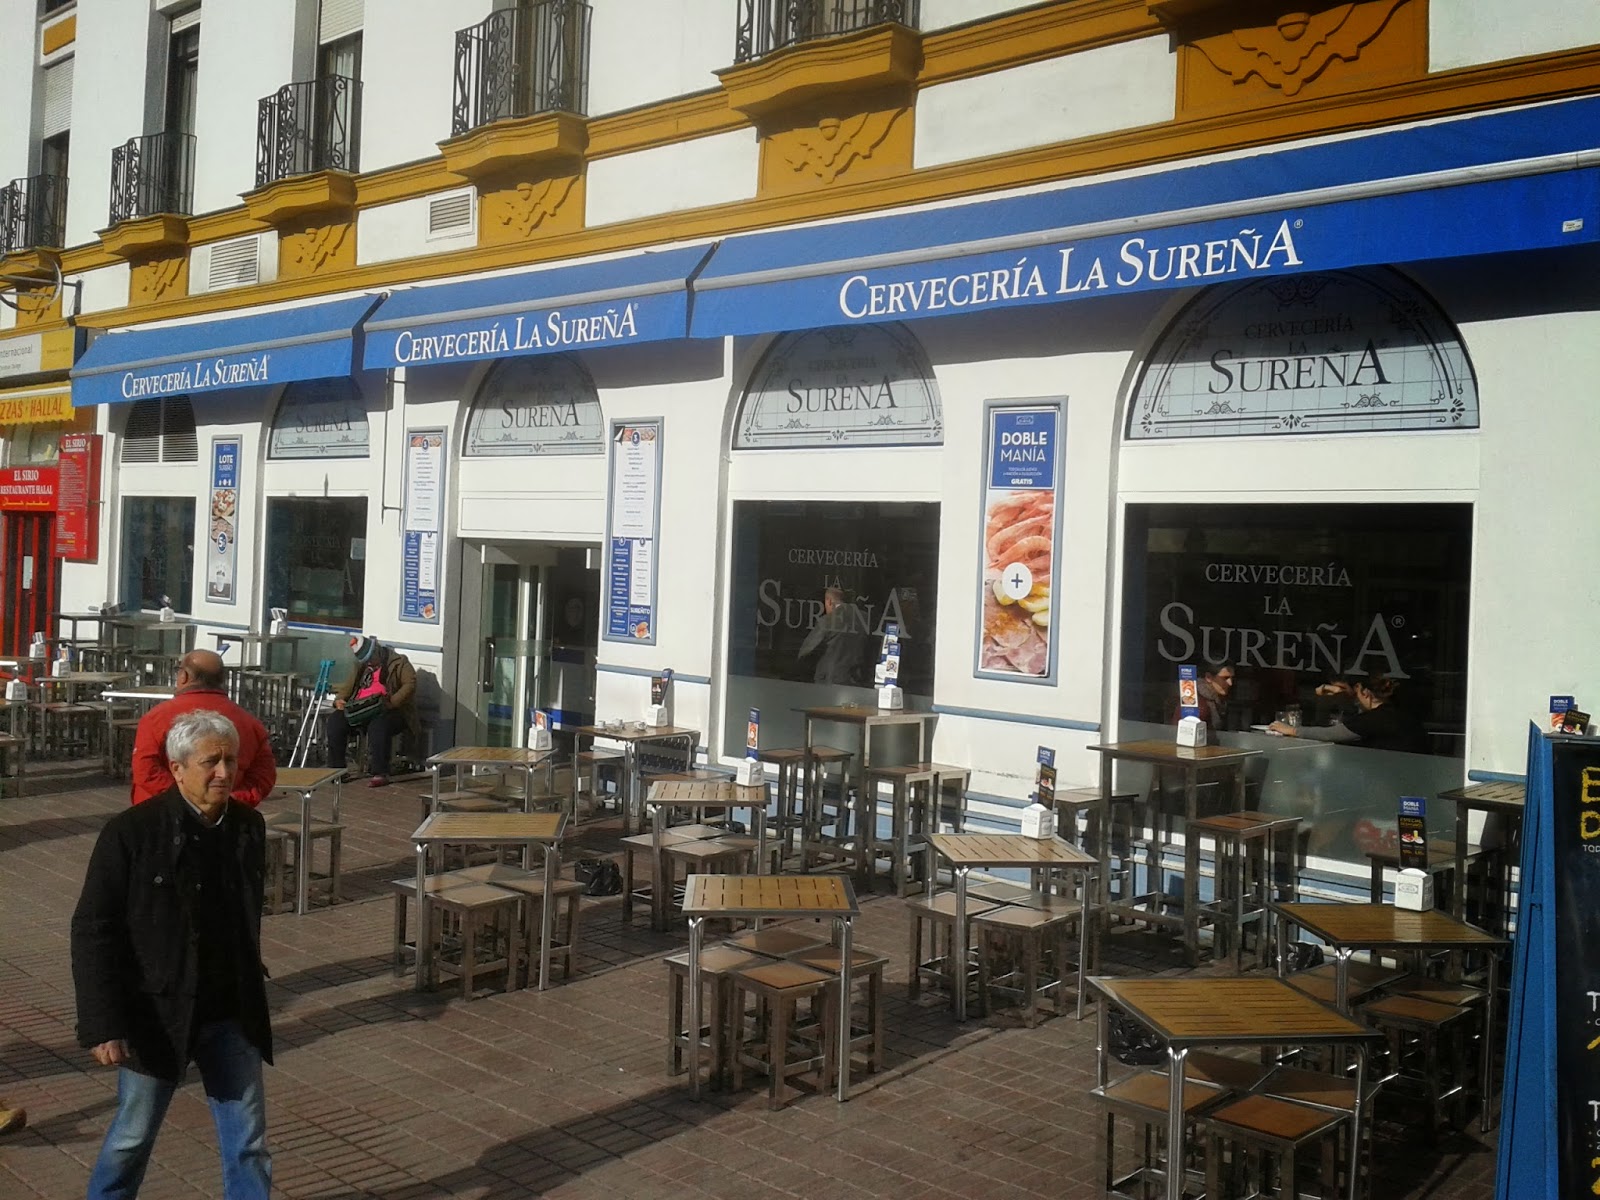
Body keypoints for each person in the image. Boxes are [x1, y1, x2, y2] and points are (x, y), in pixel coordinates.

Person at [72, 710, 273, 1200]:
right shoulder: (132, 833)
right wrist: (104, 1023)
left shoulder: (248, 827)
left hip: (231, 1010)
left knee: (248, 1142)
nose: (225, 772)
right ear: (177, 767)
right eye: (211, 762)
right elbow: (94, 928)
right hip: (158, 1012)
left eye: (231, 760)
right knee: (131, 1137)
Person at [131, 650, 276, 807]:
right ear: (222, 680)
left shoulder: (155, 719)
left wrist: (187, 801)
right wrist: (233, 801)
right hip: (225, 818)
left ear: (183, 676)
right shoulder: (251, 723)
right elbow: (264, 774)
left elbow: (145, 770)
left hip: (161, 815)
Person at [326, 634, 417, 787]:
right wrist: (339, 700)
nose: (369, 664)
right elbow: (347, 688)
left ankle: (380, 772)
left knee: (379, 726)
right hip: (362, 707)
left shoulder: (399, 662)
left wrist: (392, 702)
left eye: (370, 660)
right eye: (366, 661)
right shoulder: (360, 666)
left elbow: (410, 684)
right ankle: (338, 770)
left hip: (389, 708)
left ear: (377, 651)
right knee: (336, 722)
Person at [1269, 672, 1426, 753]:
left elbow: (1331, 734)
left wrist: (1292, 730)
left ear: (1365, 693)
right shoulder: (1402, 713)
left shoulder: (1375, 719)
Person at [797, 586, 873, 686]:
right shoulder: (865, 617)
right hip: (857, 678)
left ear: (829, 601)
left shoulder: (828, 620)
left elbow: (806, 651)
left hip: (830, 679)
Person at [1170, 662, 1236, 739]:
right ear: (1208, 677)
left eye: (1232, 678)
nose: (1230, 683)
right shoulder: (1198, 704)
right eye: (1225, 678)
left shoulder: (1218, 699)